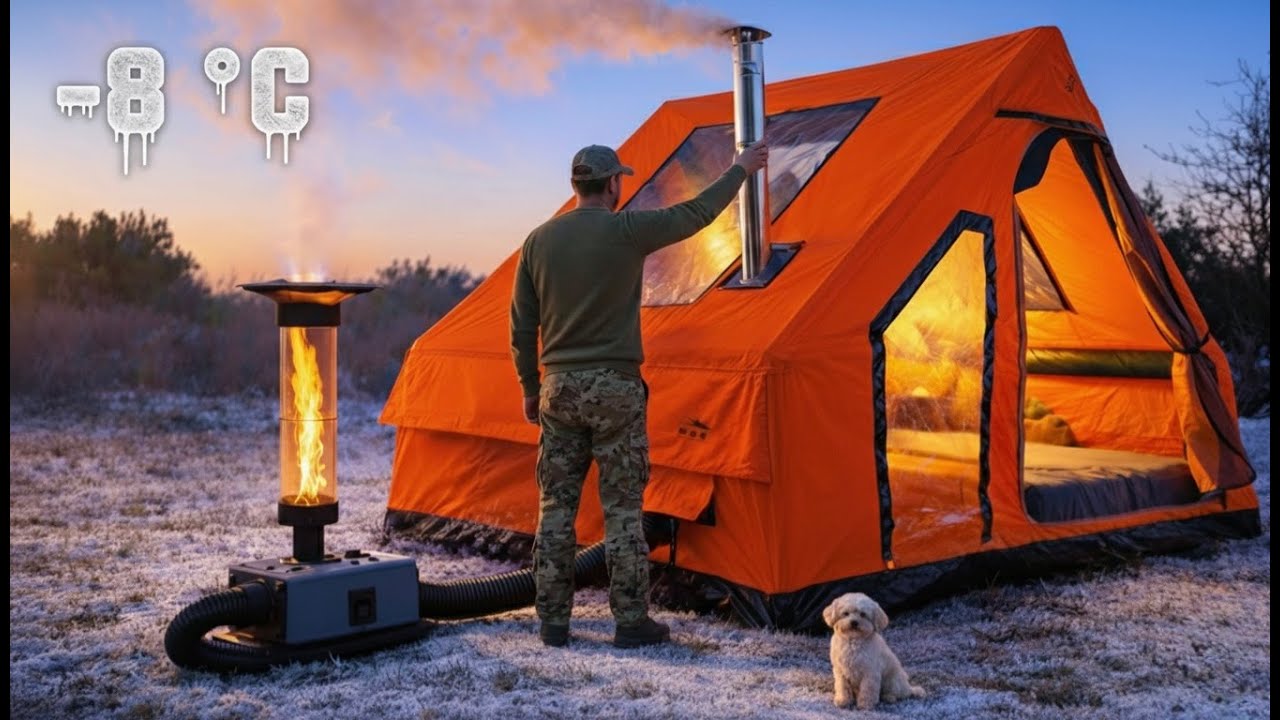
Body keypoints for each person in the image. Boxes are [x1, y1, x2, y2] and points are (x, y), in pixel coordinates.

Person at [510, 141, 769, 649]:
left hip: (557, 389)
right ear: (612, 185)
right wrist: (740, 168)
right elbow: (695, 214)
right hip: (616, 388)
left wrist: (529, 387)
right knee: (624, 510)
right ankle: (631, 622)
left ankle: (553, 623)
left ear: (574, 185)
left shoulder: (537, 242)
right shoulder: (627, 231)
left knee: (555, 507)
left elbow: (522, 326)